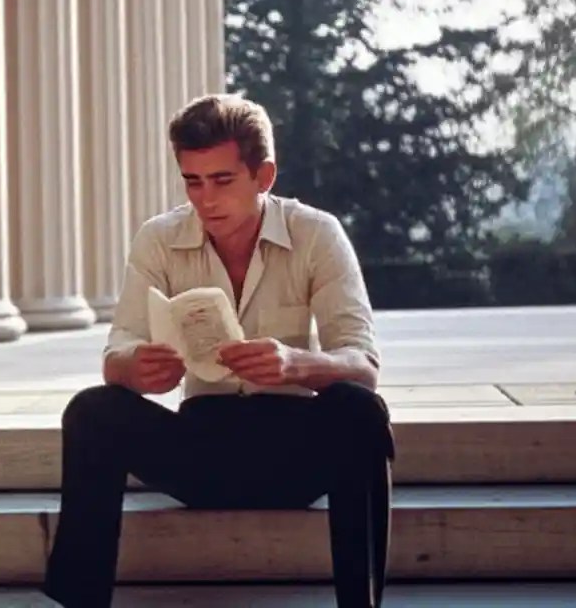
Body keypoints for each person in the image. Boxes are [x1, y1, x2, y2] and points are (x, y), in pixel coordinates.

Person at [42, 94, 395, 608]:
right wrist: (136, 369)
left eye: (223, 180)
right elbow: (114, 356)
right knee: (91, 411)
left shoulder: (317, 233)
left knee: (361, 409)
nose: (205, 199)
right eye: (192, 181)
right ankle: (79, 602)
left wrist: (295, 363)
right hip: (201, 444)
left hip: (294, 450)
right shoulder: (158, 239)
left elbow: (362, 365)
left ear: (264, 175)